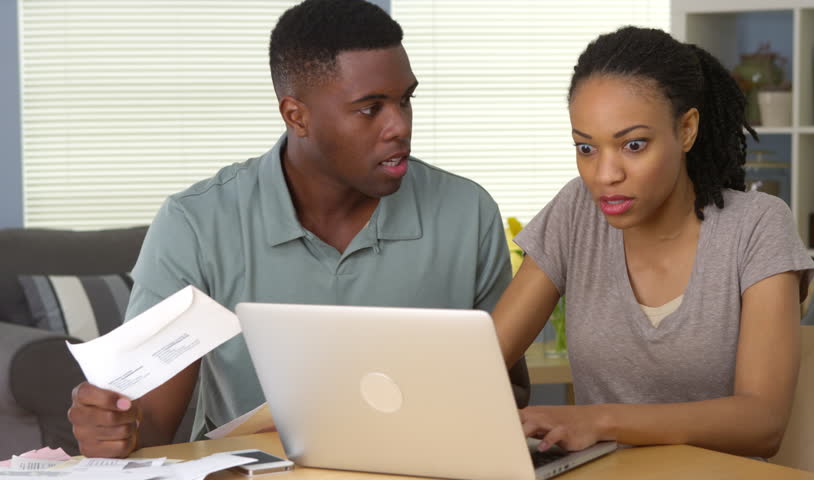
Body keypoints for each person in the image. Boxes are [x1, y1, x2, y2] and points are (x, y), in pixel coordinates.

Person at [67, 0, 529, 458]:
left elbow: (507, 393)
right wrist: (112, 430)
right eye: (371, 109)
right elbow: (149, 426)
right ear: (296, 116)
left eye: (405, 100)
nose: (400, 126)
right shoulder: (196, 224)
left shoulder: (467, 212)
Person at [492, 26, 814, 459]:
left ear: (686, 130)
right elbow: (487, 359)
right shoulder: (576, 212)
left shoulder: (757, 226)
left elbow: (762, 422)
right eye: (586, 148)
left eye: (633, 145)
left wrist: (599, 420)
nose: (605, 175)